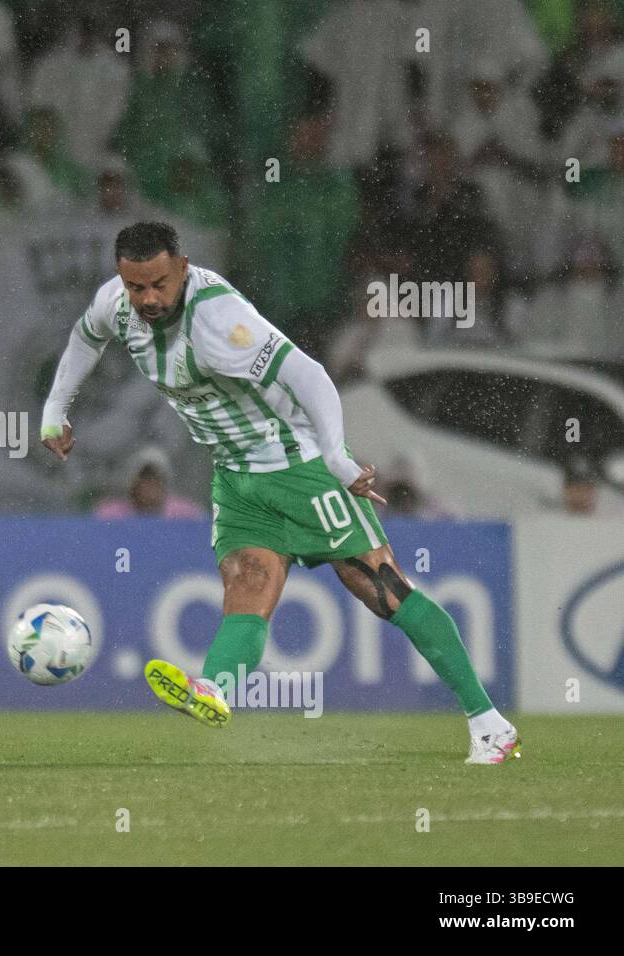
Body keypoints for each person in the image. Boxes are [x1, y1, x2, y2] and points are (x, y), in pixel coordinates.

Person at [40, 222, 519, 765]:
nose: (147, 298)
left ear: (182, 267)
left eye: (159, 284)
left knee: (382, 589)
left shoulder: (220, 319)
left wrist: (337, 457)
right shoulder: (117, 304)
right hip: (236, 476)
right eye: (136, 287)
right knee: (248, 585)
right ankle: (216, 689)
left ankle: (489, 723)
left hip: (297, 464)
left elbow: (310, 375)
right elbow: (87, 335)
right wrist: (56, 408)